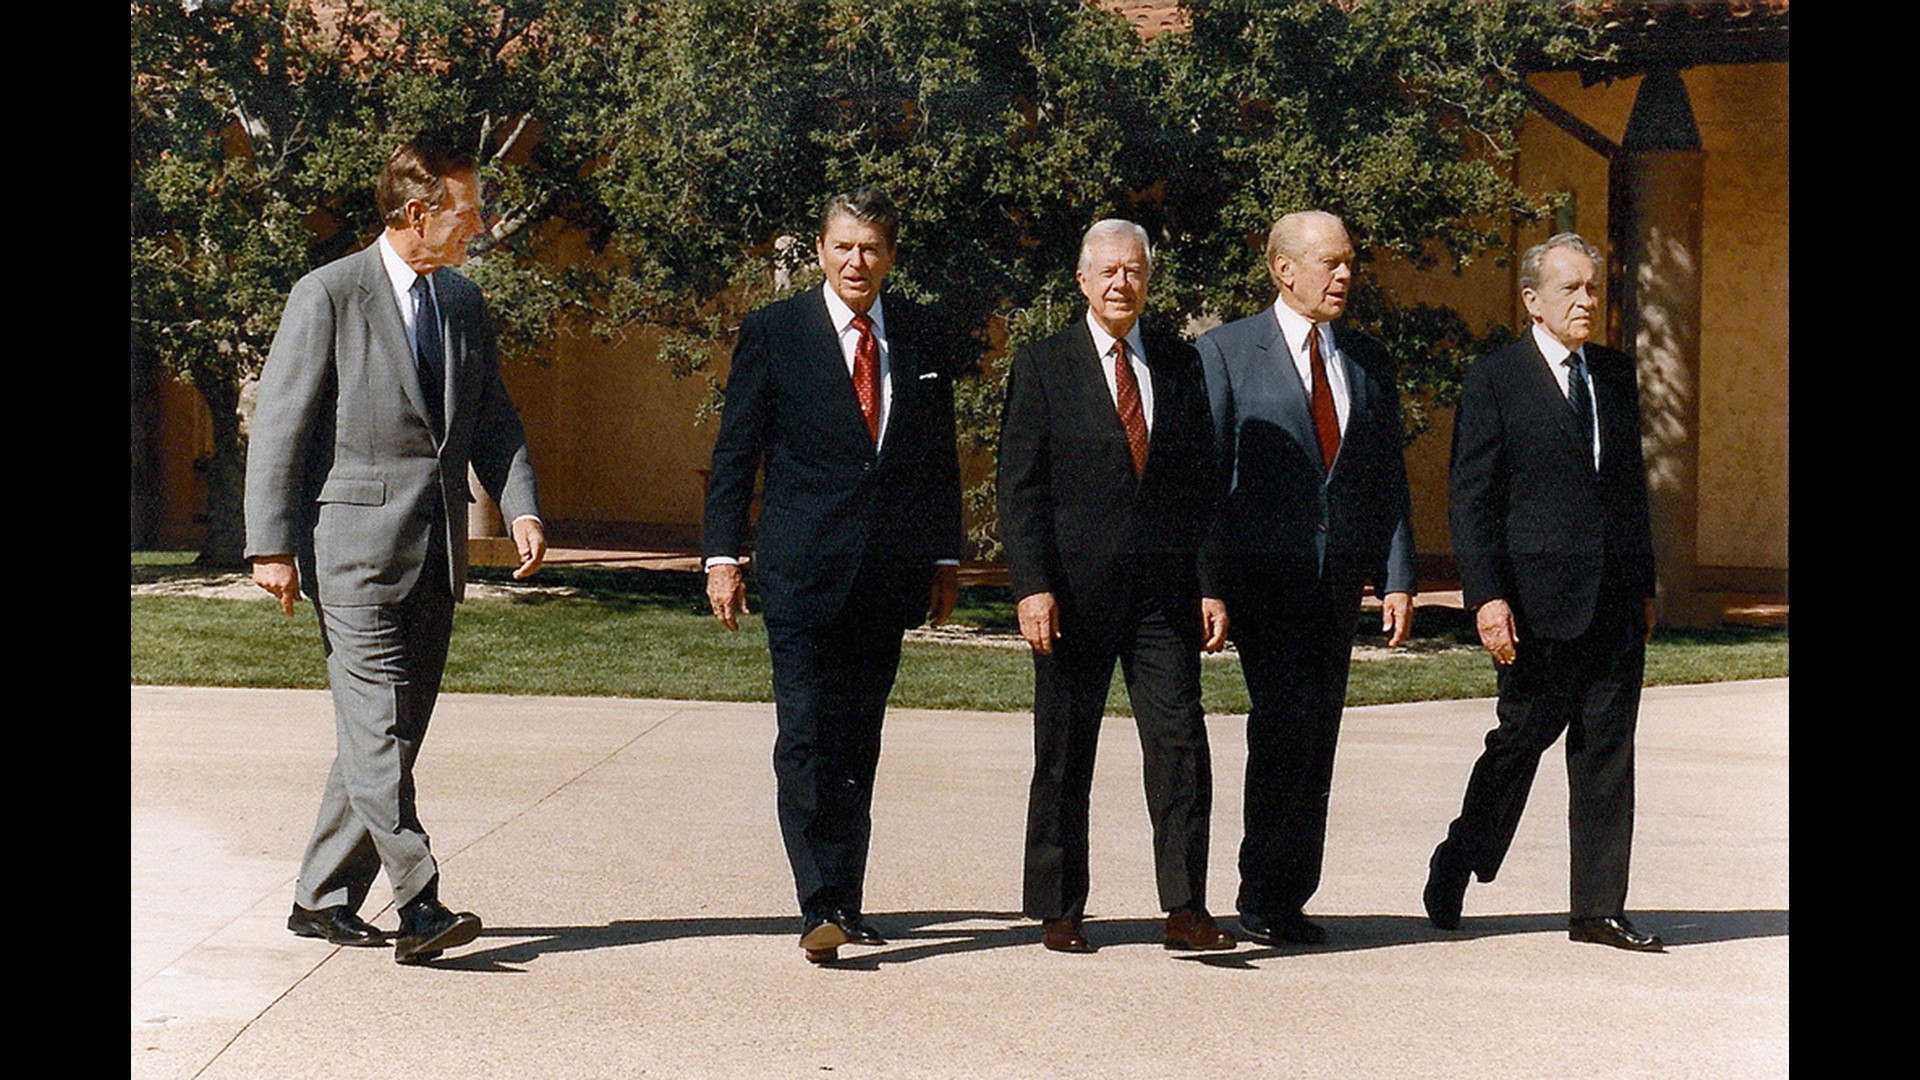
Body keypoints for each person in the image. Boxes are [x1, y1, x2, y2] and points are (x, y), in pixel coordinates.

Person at [245, 133, 546, 965]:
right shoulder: (329, 294)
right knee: (378, 724)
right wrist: (270, 545)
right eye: (469, 209)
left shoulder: (463, 303)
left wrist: (519, 505)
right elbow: (281, 425)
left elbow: (495, 419)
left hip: (437, 550)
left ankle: (322, 897)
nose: (479, 224)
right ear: (418, 213)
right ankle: (419, 900)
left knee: (390, 733)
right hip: (351, 548)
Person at [702, 185, 964, 964]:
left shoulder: (918, 335)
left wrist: (945, 556)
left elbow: (937, 459)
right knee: (809, 734)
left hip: (886, 576)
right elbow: (735, 453)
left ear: (890, 254)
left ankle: (847, 902)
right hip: (801, 570)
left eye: (872, 247)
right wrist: (722, 554)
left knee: (860, 742)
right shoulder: (775, 332)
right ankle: (817, 901)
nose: (858, 261)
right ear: (820, 251)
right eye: (843, 246)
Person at [997, 220, 1234, 955]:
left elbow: (1201, 486)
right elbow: (1019, 486)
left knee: (1180, 747)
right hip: (1071, 595)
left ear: (1148, 279)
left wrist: (1210, 584)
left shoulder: (1179, 363)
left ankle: (1186, 907)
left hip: (1163, 598)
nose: (1120, 283)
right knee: (1064, 753)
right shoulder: (1043, 365)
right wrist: (1032, 586)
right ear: (1082, 281)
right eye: (1106, 272)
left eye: (1133, 270)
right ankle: (1060, 907)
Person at [1422, 233, 1663, 952]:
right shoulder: (1496, 378)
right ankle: (1461, 853)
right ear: (1532, 300)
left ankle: (1596, 910)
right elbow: (1472, 499)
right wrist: (1487, 598)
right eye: (1571, 289)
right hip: (1535, 606)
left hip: (1614, 602)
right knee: (1520, 741)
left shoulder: (1617, 375)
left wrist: (1644, 585)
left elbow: (1629, 492)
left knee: (1606, 755)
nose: (1587, 300)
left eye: (1593, 288)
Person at [1196, 210, 1416, 947]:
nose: (1345, 275)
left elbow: (1385, 477)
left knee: (1316, 735)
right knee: (1284, 724)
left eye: (1351, 261)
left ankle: (1287, 896)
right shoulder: (1225, 353)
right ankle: (1260, 892)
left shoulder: (1367, 360)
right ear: (1284, 269)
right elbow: (1204, 480)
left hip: (1336, 584)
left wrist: (1397, 576)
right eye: (1331, 263)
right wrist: (1209, 582)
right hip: (1262, 581)